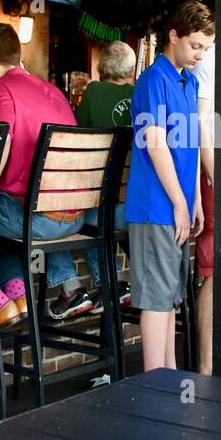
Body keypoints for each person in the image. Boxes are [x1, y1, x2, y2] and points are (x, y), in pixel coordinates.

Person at [0, 24, 89, 340]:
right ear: (18, 55)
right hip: (73, 218)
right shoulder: (52, 90)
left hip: (36, 220)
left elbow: (2, 146)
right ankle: (19, 295)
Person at [127, 0, 215, 371]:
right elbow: (155, 142)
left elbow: (192, 146)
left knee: (169, 299)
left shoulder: (189, 81)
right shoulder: (152, 80)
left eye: (206, 49)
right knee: (156, 302)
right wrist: (180, 201)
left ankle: (168, 380)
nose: (200, 55)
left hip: (177, 203)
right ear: (173, 35)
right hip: (154, 206)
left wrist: (194, 199)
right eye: (195, 46)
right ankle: (153, 386)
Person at [55, 40, 137, 319]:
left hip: (102, 213)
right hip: (135, 211)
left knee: (87, 211)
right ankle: (120, 285)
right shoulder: (140, 94)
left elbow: (76, 142)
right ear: (131, 69)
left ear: (101, 68)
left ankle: (109, 284)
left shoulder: (93, 91)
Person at [192, 41, 216, 375]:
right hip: (220, 166)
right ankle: (207, 369)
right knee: (215, 270)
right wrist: (214, 175)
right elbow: (201, 123)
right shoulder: (212, 56)